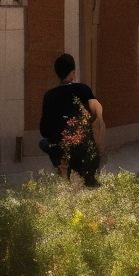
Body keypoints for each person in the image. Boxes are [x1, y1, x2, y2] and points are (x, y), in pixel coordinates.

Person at [39, 54, 105, 186]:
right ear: (73, 73)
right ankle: (89, 178)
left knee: (44, 143)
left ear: (57, 73)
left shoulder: (49, 95)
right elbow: (96, 110)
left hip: (60, 147)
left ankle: (62, 173)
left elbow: (44, 130)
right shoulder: (83, 89)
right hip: (83, 147)